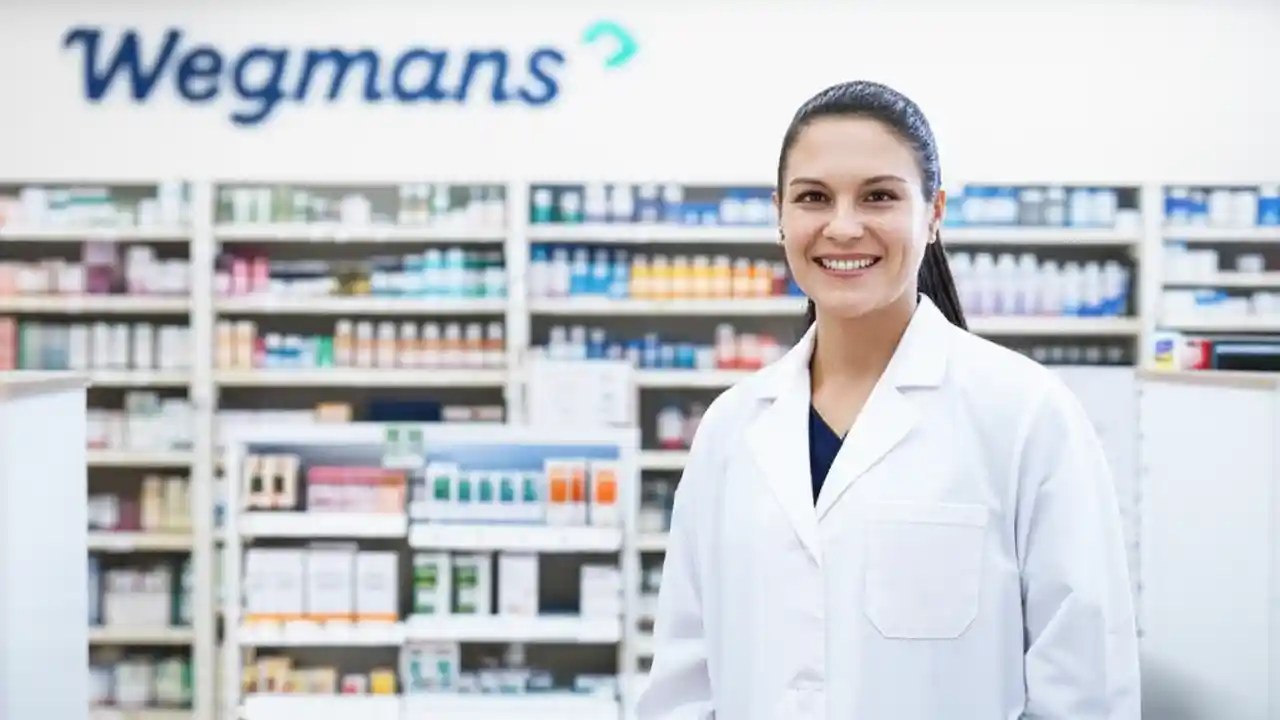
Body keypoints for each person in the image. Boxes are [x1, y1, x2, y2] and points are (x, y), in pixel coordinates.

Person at [634, 80, 1141, 719]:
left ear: (933, 214)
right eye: (814, 198)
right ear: (780, 216)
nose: (843, 227)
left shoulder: (1024, 414)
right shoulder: (732, 429)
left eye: (878, 196)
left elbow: (1083, 687)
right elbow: (685, 682)